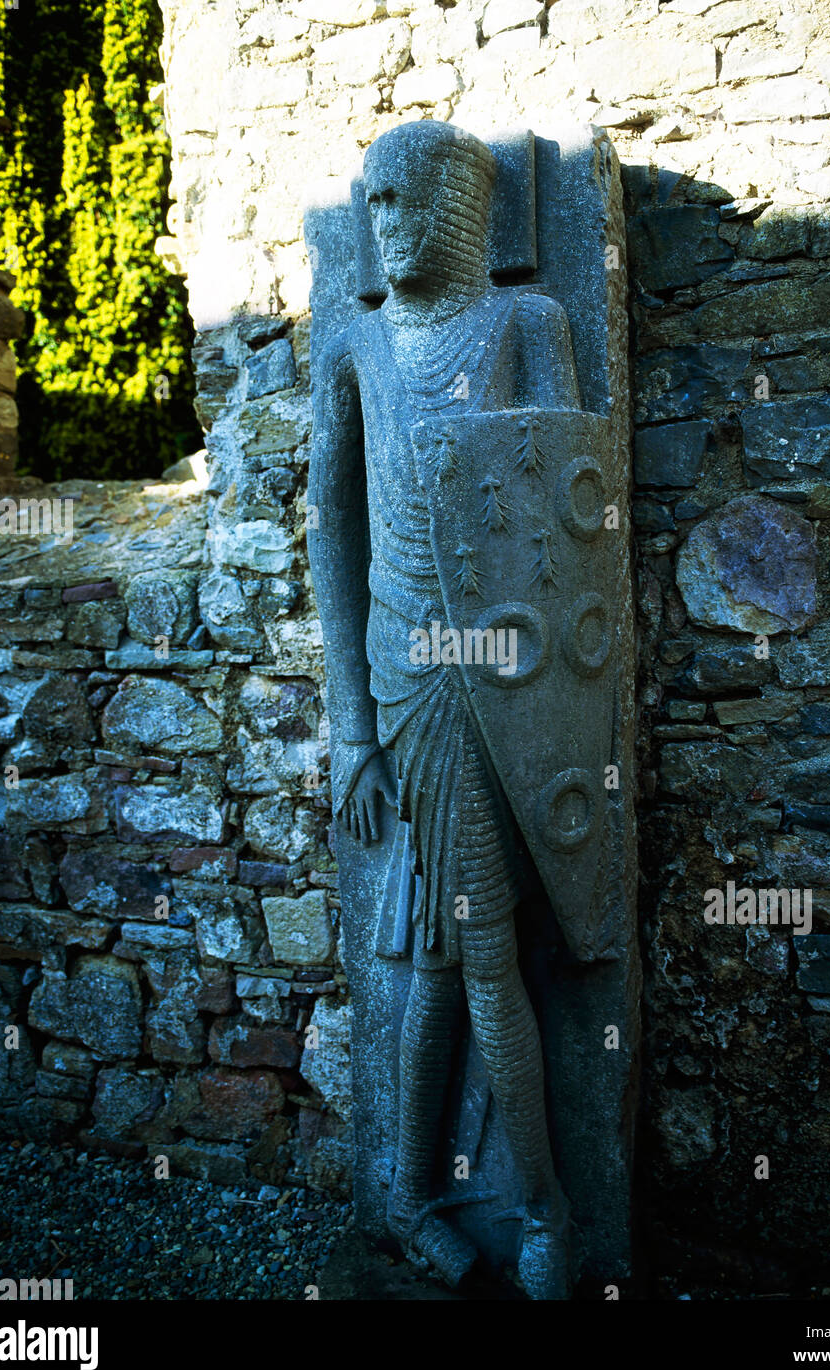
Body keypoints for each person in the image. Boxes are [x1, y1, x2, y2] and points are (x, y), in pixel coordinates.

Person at [307, 121, 581, 1299]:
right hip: (410, 687)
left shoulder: (529, 327)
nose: (382, 224)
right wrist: (355, 729)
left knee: (448, 955)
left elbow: (567, 521)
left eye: (402, 201)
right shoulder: (357, 345)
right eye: (368, 204)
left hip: (516, 681)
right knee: (470, 952)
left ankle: (446, 1199)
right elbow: (332, 530)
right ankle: (536, 1213)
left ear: (461, 209)